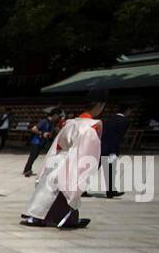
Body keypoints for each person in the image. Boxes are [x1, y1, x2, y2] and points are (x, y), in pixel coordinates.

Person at [22, 92, 104, 229]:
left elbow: (57, 144)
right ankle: (65, 219)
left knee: (47, 189)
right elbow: (88, 152)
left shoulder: (71, 123)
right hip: (74, 160)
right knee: (67, 190)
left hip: (59, 158)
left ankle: (35, 215)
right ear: (99, 105)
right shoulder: (91, 126)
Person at [96, 103, 129, 198]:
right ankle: (110, 191)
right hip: (112, 149)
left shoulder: (108, 119)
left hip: (101, 147)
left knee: (93, 169)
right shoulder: (125, 121)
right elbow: (120, 136)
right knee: (110, 170)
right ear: (127, 111)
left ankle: (81, 189)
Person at [22, 109, 59, 177]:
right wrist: (41, 133)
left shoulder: (51, 123)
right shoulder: (44, 121)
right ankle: (26, 170)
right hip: (36, 141)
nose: (58, 117)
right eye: (57, 116)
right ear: (54, 115)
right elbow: (34, 129)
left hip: (40, 142)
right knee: (32, 156)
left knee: (34, 156)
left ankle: (28, 169)